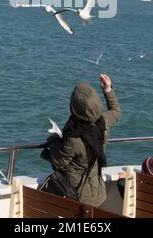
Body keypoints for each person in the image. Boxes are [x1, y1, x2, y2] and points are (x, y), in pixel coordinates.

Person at [43, 74, 121, 207]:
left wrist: (54, 139)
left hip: (75, 195)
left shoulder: (74, 139)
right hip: (97, 192)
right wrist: (107, 89)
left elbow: (59, 162)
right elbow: (116, 111)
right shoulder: (103, 123)